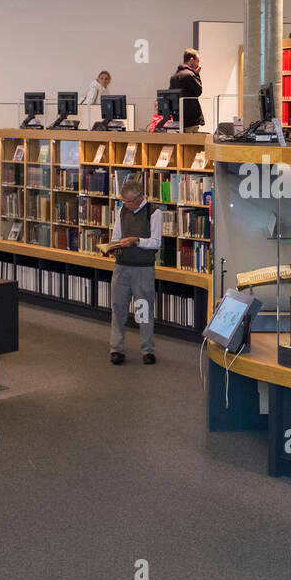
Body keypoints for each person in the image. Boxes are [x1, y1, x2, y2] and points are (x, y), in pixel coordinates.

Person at [107, 177, 161, 365]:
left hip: (143, 269)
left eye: (129, 201)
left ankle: (148, 350)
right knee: (118, 308)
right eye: (124, 201)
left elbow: (156, 242)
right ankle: (116, 349)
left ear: (140, 198)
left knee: (143, 311)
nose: (126, 205)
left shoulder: (154, 213)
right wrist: (114, 247)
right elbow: (116, 236)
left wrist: (136, 241)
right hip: (121, 267)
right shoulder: (122, 211)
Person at [169, 48, 205, 133]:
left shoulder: (174, 76)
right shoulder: (190, 75)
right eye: (198, 61)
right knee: (192, 145)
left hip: (178, 118)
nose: (198, 64)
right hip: (191, 119)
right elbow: (198, 91)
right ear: (191, 60)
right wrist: (197, 75)